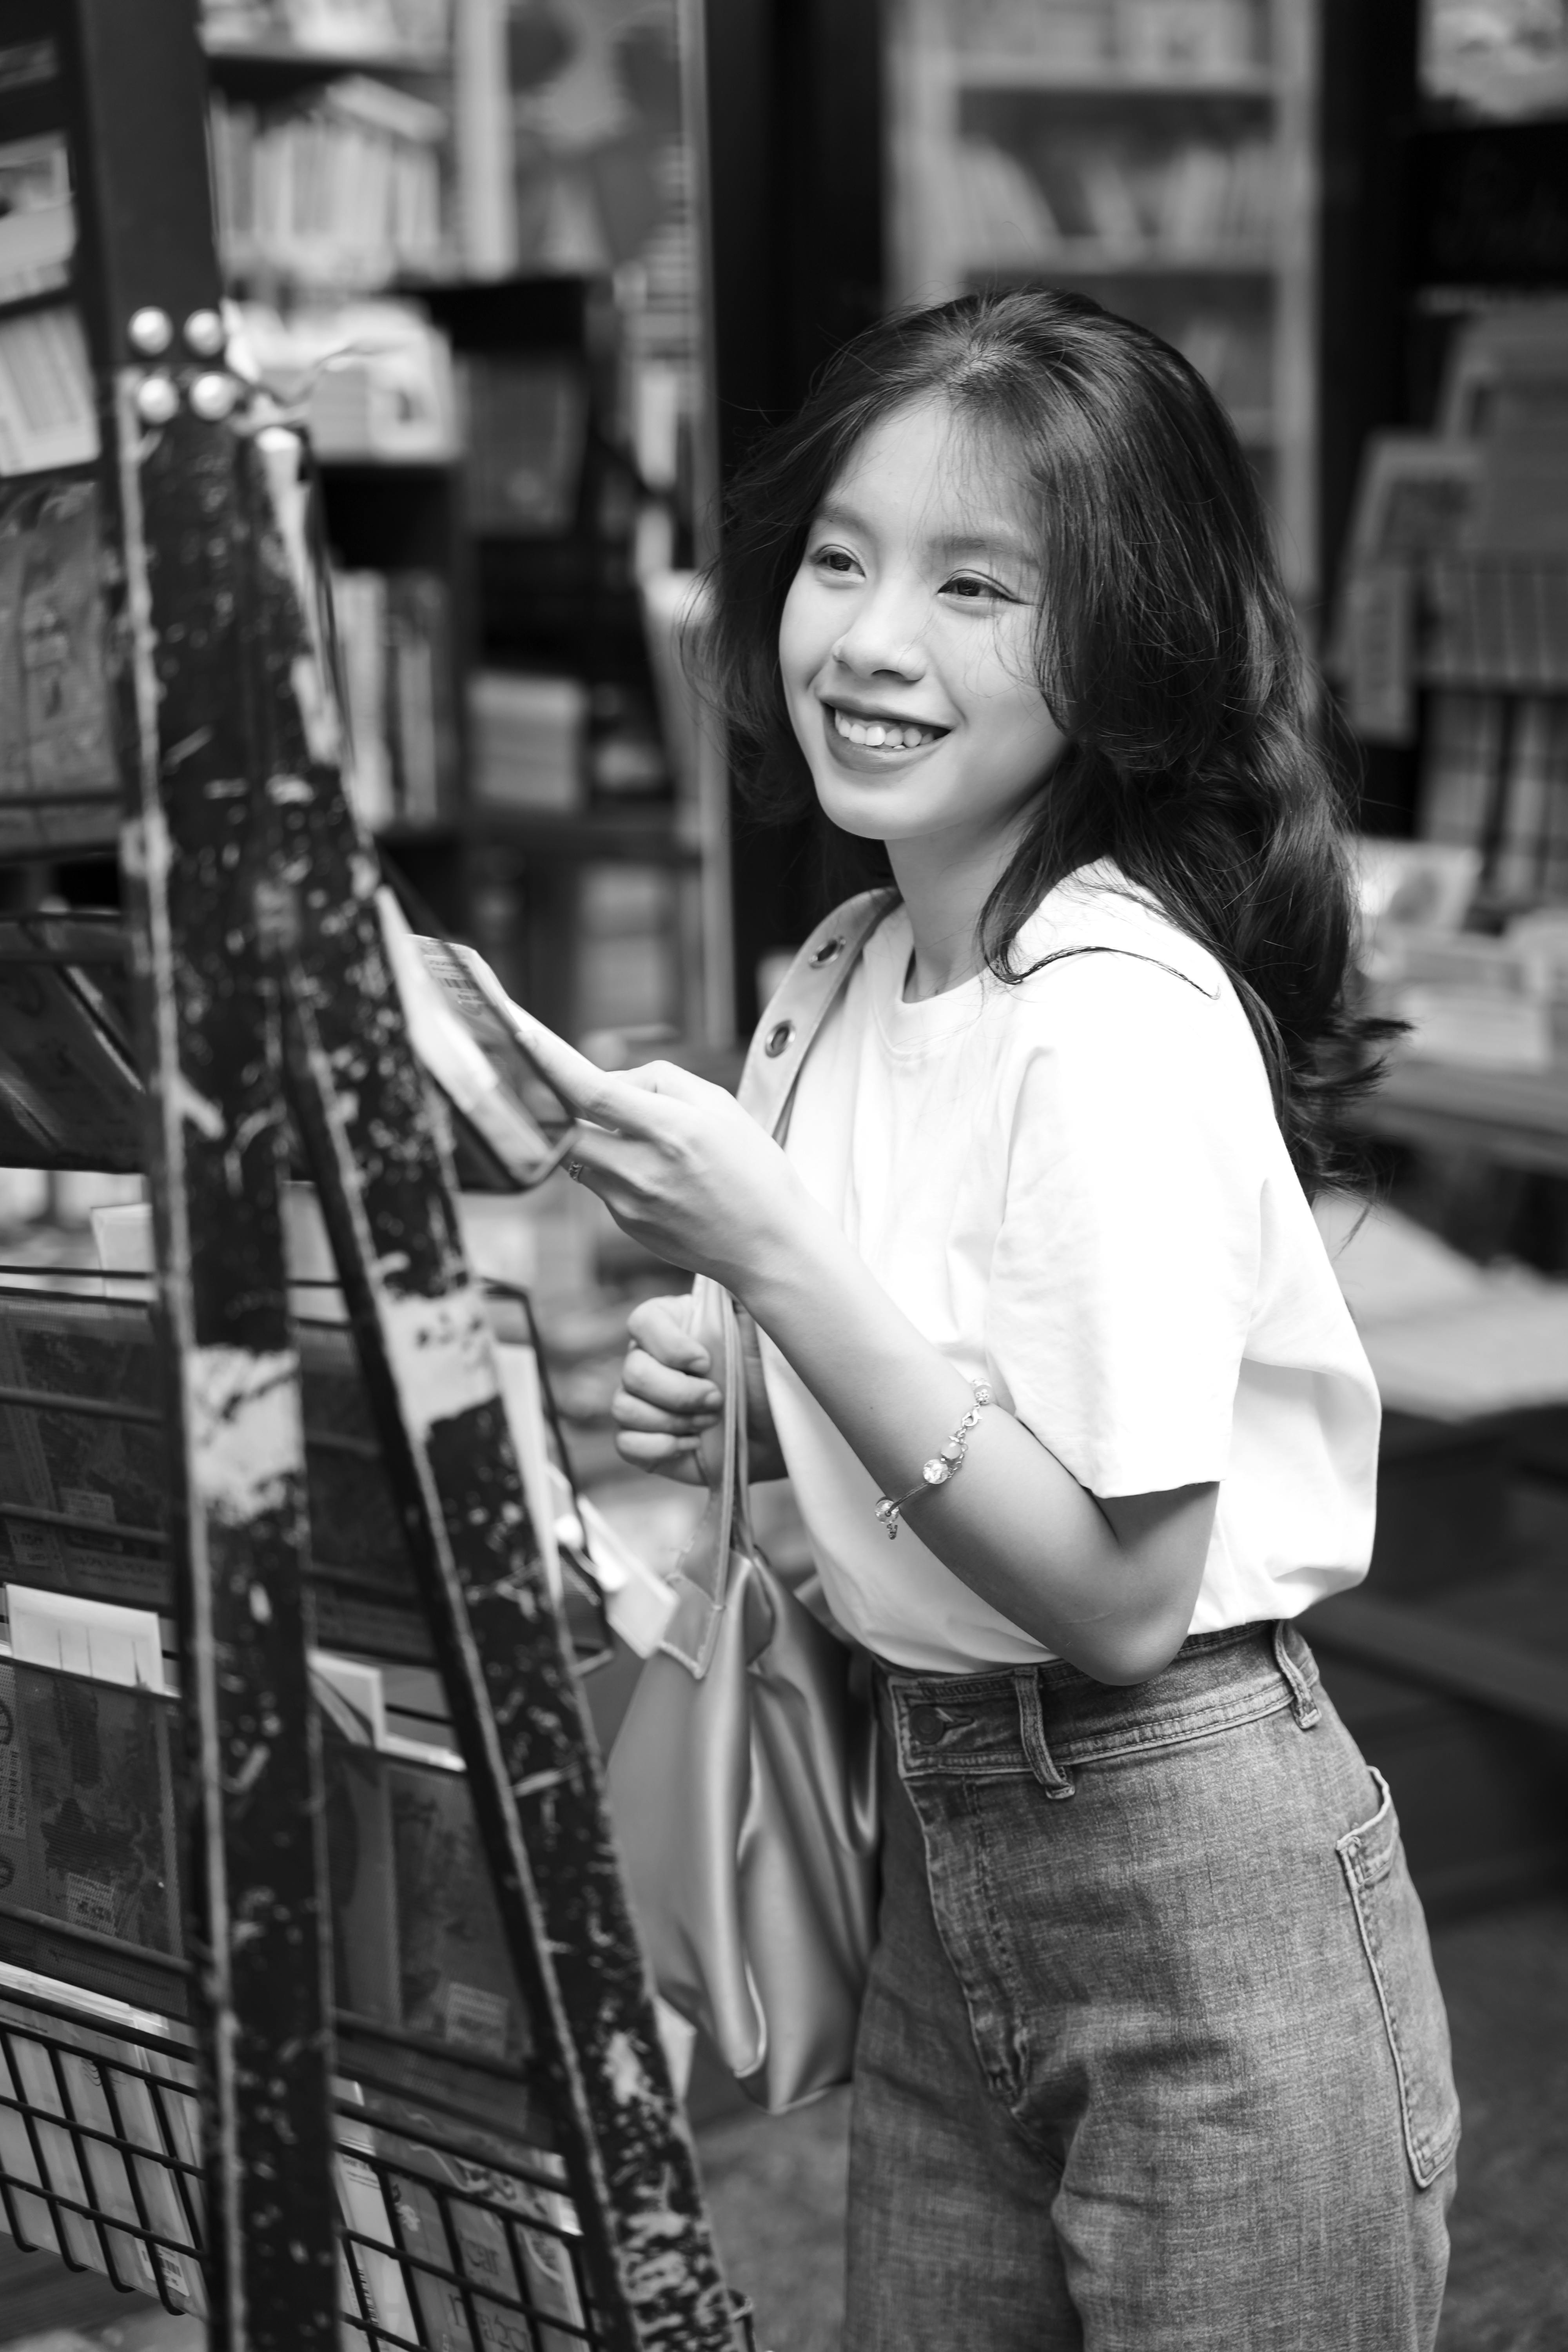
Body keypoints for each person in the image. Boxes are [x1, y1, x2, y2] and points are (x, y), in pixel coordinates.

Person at [514, 290, 1459, 2351]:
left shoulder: (1108, 1018)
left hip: (1188, 1852)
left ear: (1126, 644)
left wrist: (773, 1262)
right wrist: (749, 1402)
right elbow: (932, 1389)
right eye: (841, 559)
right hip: (932, 1838)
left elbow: (1118, 1598)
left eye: (976, 586)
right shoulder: (844, 976)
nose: (869, 640)